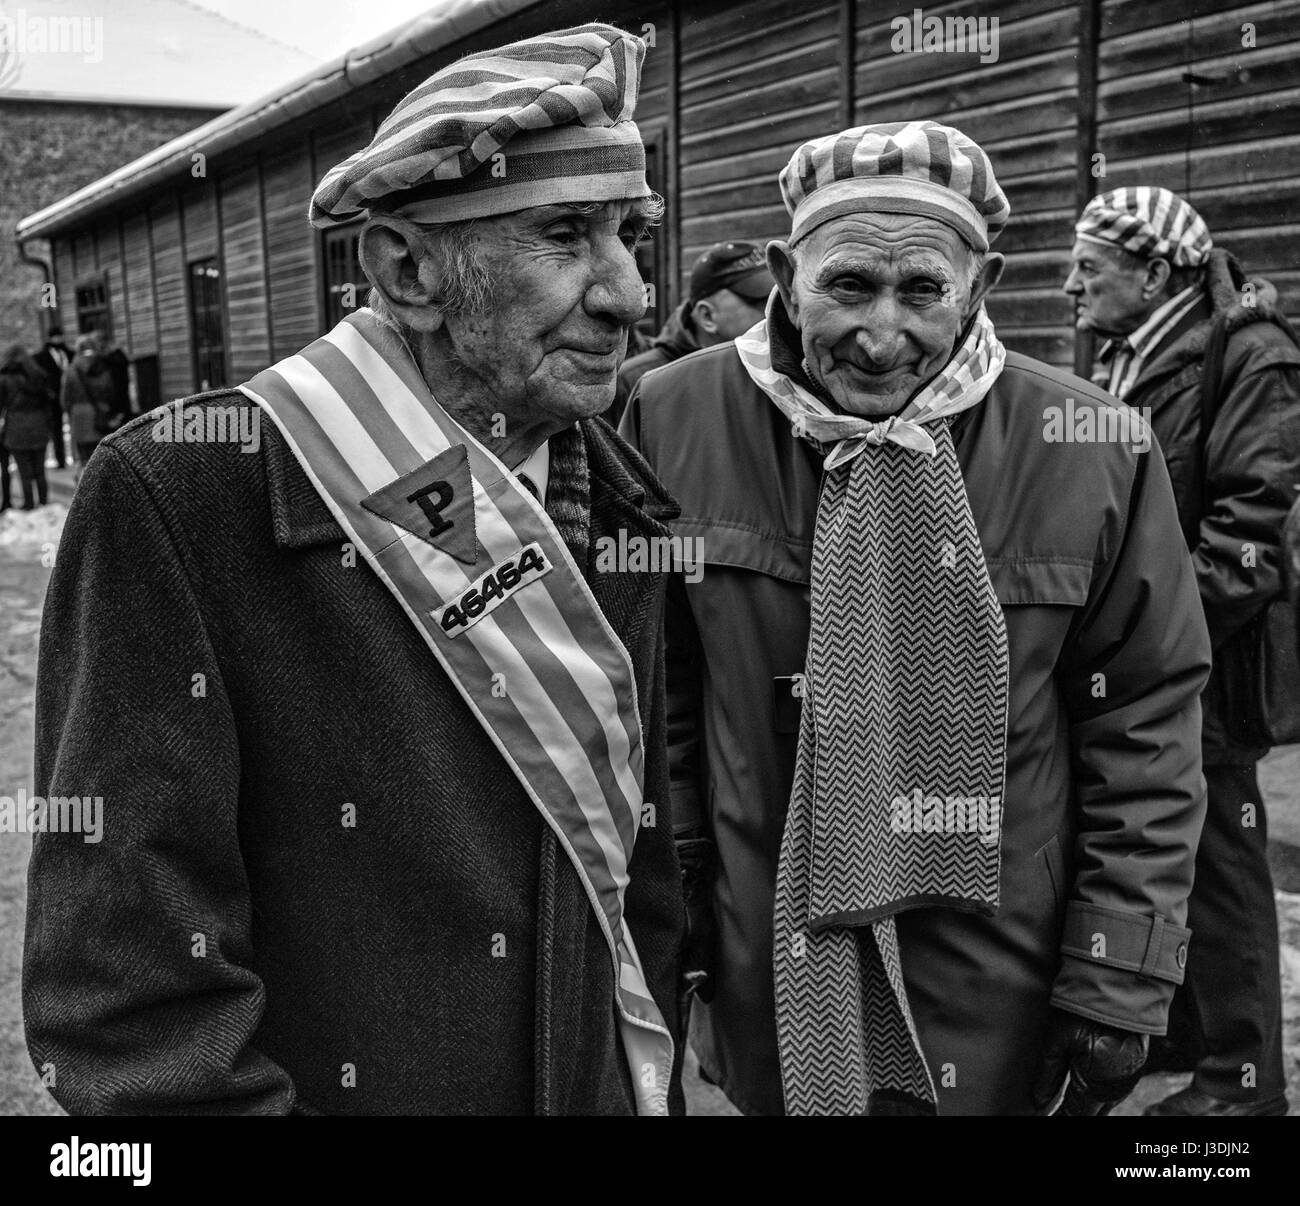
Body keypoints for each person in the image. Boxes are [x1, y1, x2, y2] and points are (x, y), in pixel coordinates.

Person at [25, 23, 686, 1116]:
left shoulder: (616, 484)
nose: (627, 293)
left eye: (633, 234)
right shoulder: (185, 496)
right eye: (566, 236)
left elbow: (632, 870)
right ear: (408, 272)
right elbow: (126, 995)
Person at [623, 121, 1211, 1116]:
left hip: (998, 971)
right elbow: (653, 701)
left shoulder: (1094, 446)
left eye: (922, 291)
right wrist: (664, 933)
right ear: (783, 273)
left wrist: (1117, 970)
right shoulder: (672, 417)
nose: (882, 333)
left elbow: (1143, 720)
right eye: (847, 286)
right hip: (767, 955)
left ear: (979, 288)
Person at [1065, 186, 1300, 1117]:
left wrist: (1154, 642)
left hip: (1205, 666)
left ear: (1155, 272)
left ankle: (1243, 1092)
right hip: (1154, 656)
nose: (1073, 285)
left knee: (1227, 875)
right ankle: (1193, 1044)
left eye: (1091, 266)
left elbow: (1250, 534)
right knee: (1178, 861)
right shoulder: (1137, 353)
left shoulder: (1251, 359)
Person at [609, 241, 772, 425]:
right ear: (707, 316)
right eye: (760, 302)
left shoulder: (778, 369)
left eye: (779, 297)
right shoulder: (633, 384)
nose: (774, 310)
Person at [0, 345, 52, 510]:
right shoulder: (38, 375)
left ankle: (29, 504)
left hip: (16, 426)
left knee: (25, 471)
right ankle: (43, 502)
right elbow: (48, 402)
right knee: (40, 470)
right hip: (39, 424)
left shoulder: (4, 379)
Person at [59, 334, 116, 479]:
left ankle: (85, 484)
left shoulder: (71, 369)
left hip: (79, 416)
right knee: (101, 453)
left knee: (84, 456)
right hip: (100, 413)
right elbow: (110, 392)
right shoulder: (102, 366)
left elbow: (65, 399)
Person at [33, 325, 71, 469]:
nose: (59, 339)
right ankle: (60, 459)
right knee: (56, 429)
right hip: (53, 398)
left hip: (69, 394)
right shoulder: (41, 357)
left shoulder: (67, 353)